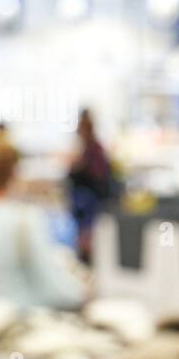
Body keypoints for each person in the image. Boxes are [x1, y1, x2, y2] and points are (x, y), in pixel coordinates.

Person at [0, 138, 87, 310]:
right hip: (26, 317)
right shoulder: (24, 218)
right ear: (13, 171)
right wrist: (82, 292)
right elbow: (53, 285)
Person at [67, 109, 117, 261]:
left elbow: (98, 176)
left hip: (89, 201)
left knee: (88, 233)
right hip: (88, 201)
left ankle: (87, 256)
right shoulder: (90, 150)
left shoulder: (92, 151)